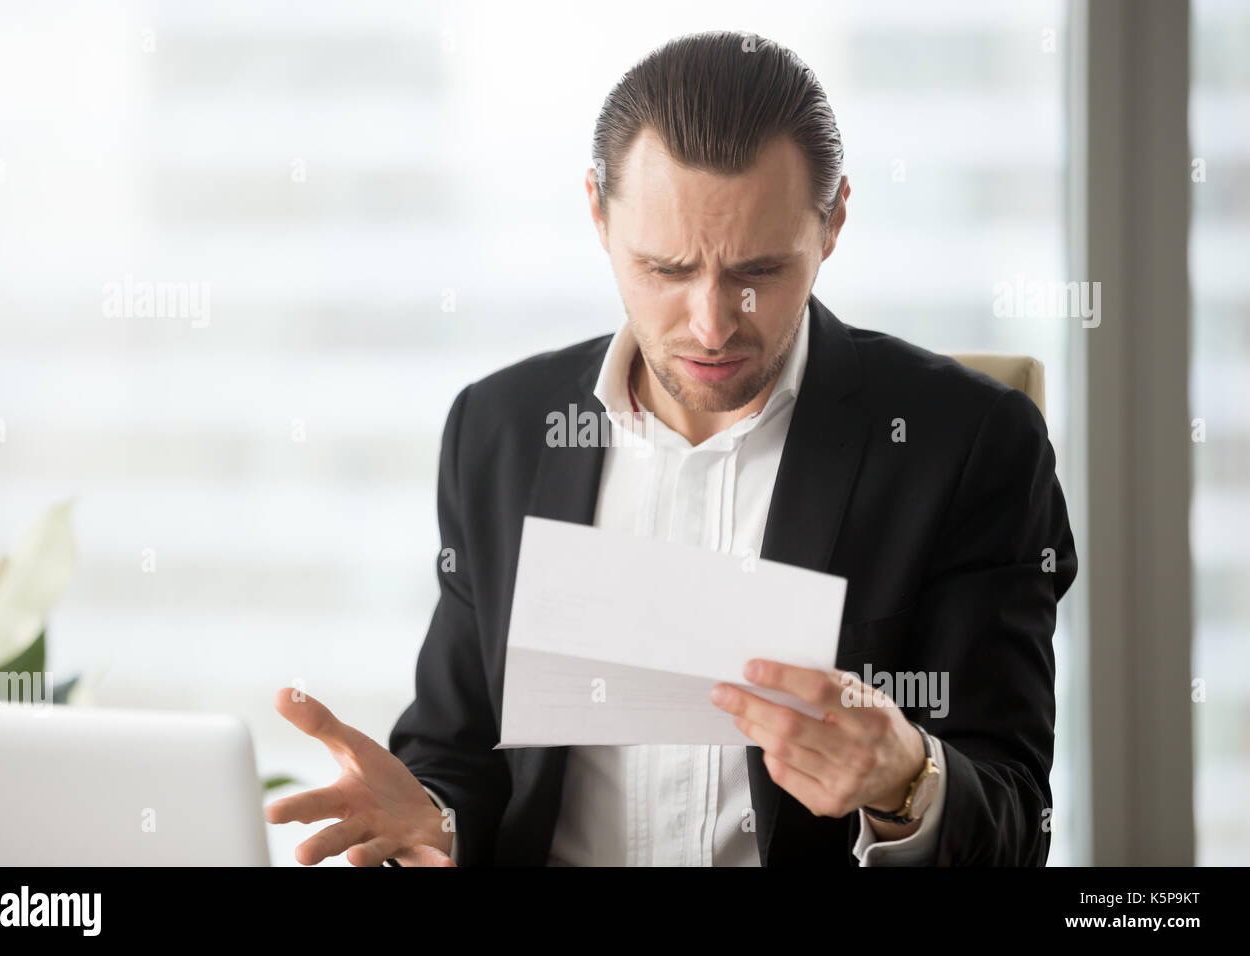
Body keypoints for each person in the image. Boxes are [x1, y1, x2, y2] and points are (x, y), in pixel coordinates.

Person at [266, 29, 1077, 867]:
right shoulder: (499, 429)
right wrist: (436, 821)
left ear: (831, 223)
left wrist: (907, 781)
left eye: (756, 271)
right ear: (597, 214)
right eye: (666, 269)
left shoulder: (967, 446)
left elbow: (1015, 823)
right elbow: (459, 755)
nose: (712, 324)